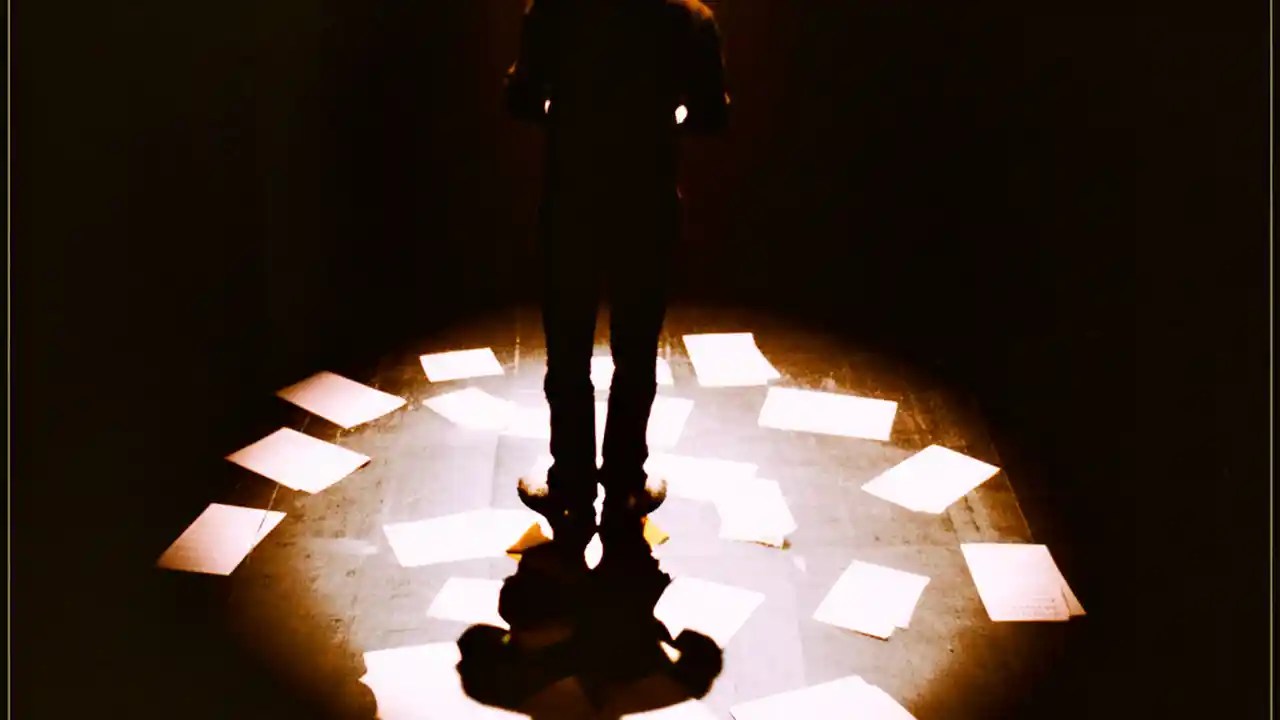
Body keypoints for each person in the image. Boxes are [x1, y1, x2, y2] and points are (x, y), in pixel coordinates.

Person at [504, 0, 730, 533]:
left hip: (571, 195)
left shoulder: (554, 13)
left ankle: (571, 481)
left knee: (567, 346)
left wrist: (571, 114)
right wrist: (662, 117)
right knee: (636, 348)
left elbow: (519, 100)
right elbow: (712, 116)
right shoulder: (686, 17)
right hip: (646, 198)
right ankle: (626, 483)